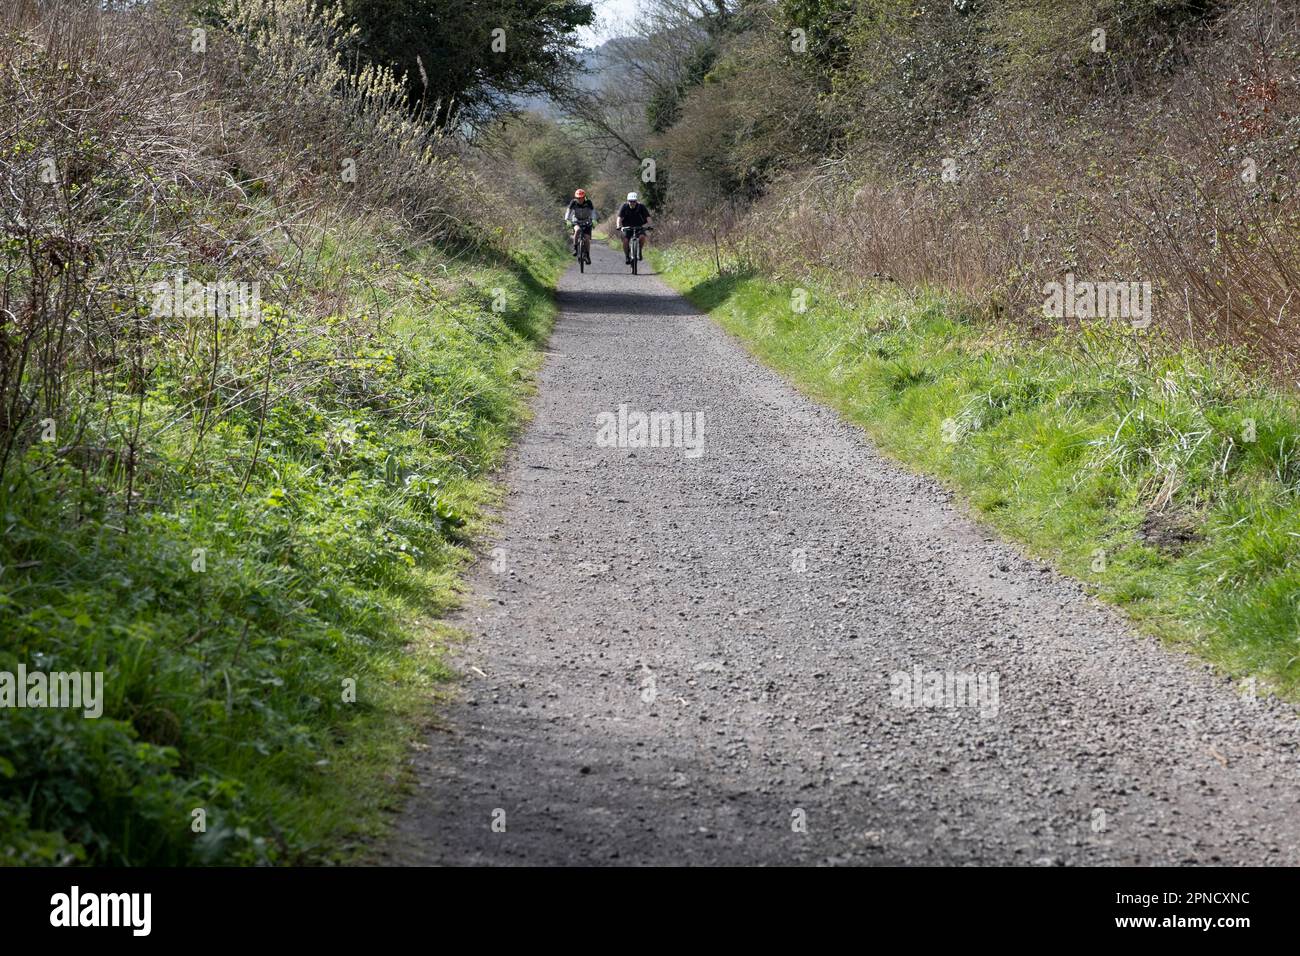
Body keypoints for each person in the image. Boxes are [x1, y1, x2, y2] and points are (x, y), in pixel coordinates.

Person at [616, 191, 650, 264]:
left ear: (636, 201)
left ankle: (639, 250)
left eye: (634, 201)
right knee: (625, 240)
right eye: (630, 201)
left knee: (642, 237)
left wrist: (650, 226)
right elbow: (619, 218)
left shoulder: (641, 207)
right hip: (627, 228)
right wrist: (618, 226)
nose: (632, 203)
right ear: (628, 201)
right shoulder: (624, 207)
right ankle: (627, 256)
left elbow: (648, 217)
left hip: (639, 227)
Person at [565, 189, 597, 257]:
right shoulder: (573, 202)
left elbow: (593, 211)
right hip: (576, 220)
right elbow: (568, 211)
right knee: (578, 230)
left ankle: (587, 255)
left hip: (586, 220)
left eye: (581, 198)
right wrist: (567, 220)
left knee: (587, 238)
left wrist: (594, 219)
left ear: (584, 197)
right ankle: (575, 249)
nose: (580, 199)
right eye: (578, 198)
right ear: (576, 198)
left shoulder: (588, 202)